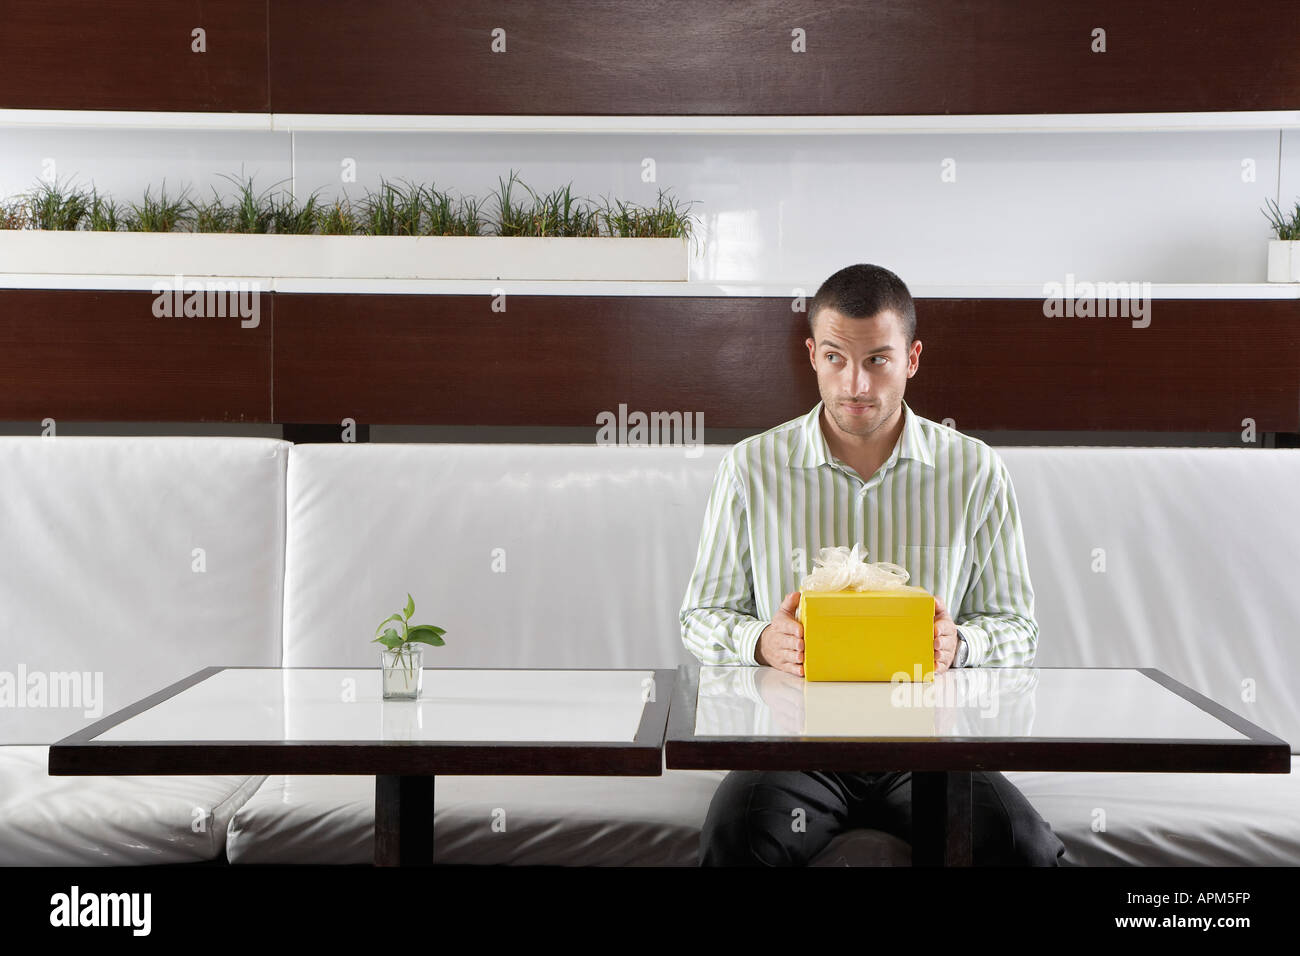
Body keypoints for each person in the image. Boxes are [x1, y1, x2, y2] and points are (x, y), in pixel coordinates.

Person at [679, 263, 1065, 866]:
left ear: (911, 358)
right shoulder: (750, 469)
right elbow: (699, 616)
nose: (855, 384)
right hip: (793, 748)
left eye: (877, 360)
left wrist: (958, 642)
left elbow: (1019, 627)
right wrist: (761, 641)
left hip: (929, 752)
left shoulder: (976, 472)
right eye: (835, 358)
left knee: (1024, 847)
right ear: (811, 355)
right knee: (736, 842)